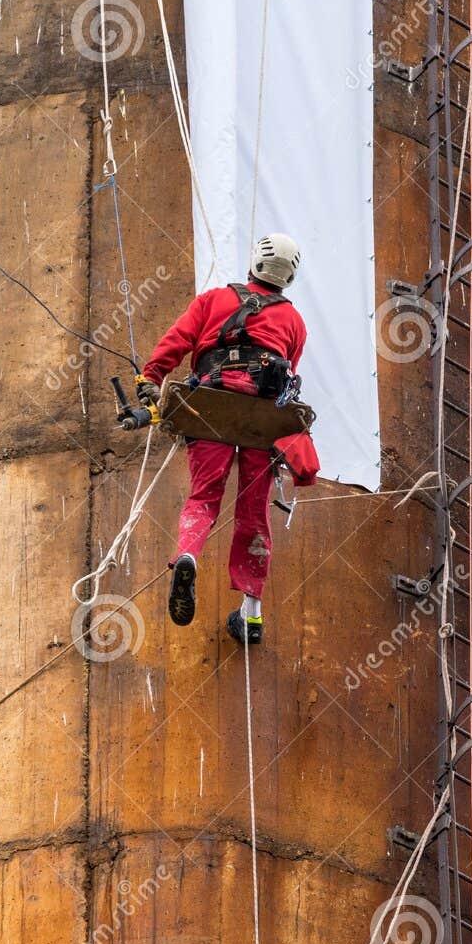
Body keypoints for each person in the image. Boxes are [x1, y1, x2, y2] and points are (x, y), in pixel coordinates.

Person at [139, 233, 308, 646]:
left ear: (255, 262)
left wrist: (151, 377)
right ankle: (251, 614)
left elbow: (177, 340)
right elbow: (288, 375)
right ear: (288, 277)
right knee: (253, 513)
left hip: (209, 406)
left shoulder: (213, 300)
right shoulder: (294, 321)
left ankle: (188, 556)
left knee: (204, 498)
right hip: (261, 418)